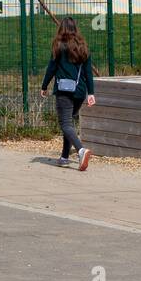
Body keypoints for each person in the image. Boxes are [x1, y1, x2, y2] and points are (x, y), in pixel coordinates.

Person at [40, 16, 96, 171]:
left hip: (63, 91)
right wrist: (91, 93)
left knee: (65, 124)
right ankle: (64, 157)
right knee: (69, 123)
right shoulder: (83, 47)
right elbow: (88, 73)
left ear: (62, 28)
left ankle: (81, 150)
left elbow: (51, 68)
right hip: (79, 91)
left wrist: (44, 85)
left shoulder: (59, 46)